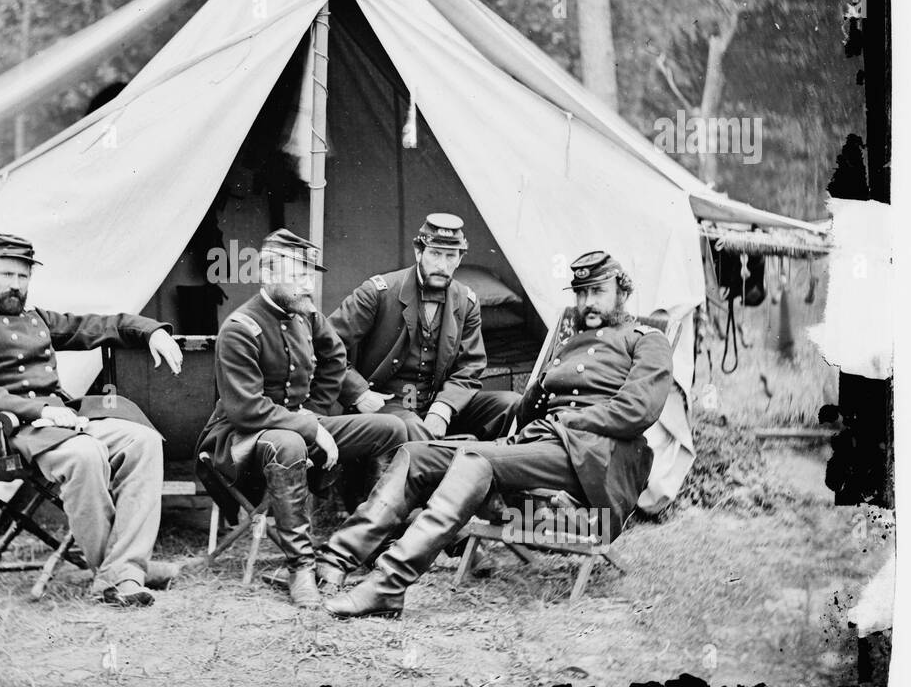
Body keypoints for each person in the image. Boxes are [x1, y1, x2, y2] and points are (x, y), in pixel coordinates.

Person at [320, 249, 674, 619]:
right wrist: (535, 394)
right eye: (580, 293)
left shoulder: (645, 340)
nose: (587, 302)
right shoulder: (570, 344)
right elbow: (529, 410)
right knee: (418, 453)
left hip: (591, 461)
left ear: (622, 290)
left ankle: (387, 585)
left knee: (475, 461)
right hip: (542, 445)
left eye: (597, 291)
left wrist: (568, 424)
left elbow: (637, 411)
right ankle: (337, 556)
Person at [0, 232, 184, 608]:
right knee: (85, 455)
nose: (16, 285)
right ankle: (120, 576)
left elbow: (96, 325)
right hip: (9, 434)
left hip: (63, 422)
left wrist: (150, 332)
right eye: (6, 275)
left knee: (142, 441)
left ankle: (125, 566)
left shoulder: (37, 319)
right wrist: (39, 411)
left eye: (23, 276)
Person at [196, 230, 408, 609]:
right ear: (268, 273)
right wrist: (311, 428)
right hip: (239, 441)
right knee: (290, 442)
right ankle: (301, 568)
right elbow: (245, 410)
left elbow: (335, 358)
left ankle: (365, 545)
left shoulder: (305, 314)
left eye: (311, 273)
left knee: (392, 428)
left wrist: (319, 413)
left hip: (295, 426)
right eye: (299, 274)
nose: (308, 284)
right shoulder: (240, 329)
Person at [328, 212, 519, 444]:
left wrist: (443, 407)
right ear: (418, 252)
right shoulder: (378, 292)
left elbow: (470, 366)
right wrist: (358, 393)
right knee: (410, 428)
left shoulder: (466, 301)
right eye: (435, 254)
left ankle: (482, 468)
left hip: (436, 403)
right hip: (387, 404)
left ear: (460, 259)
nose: (442, 264)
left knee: (510, 405)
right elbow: (326, 345)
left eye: (451, 256)